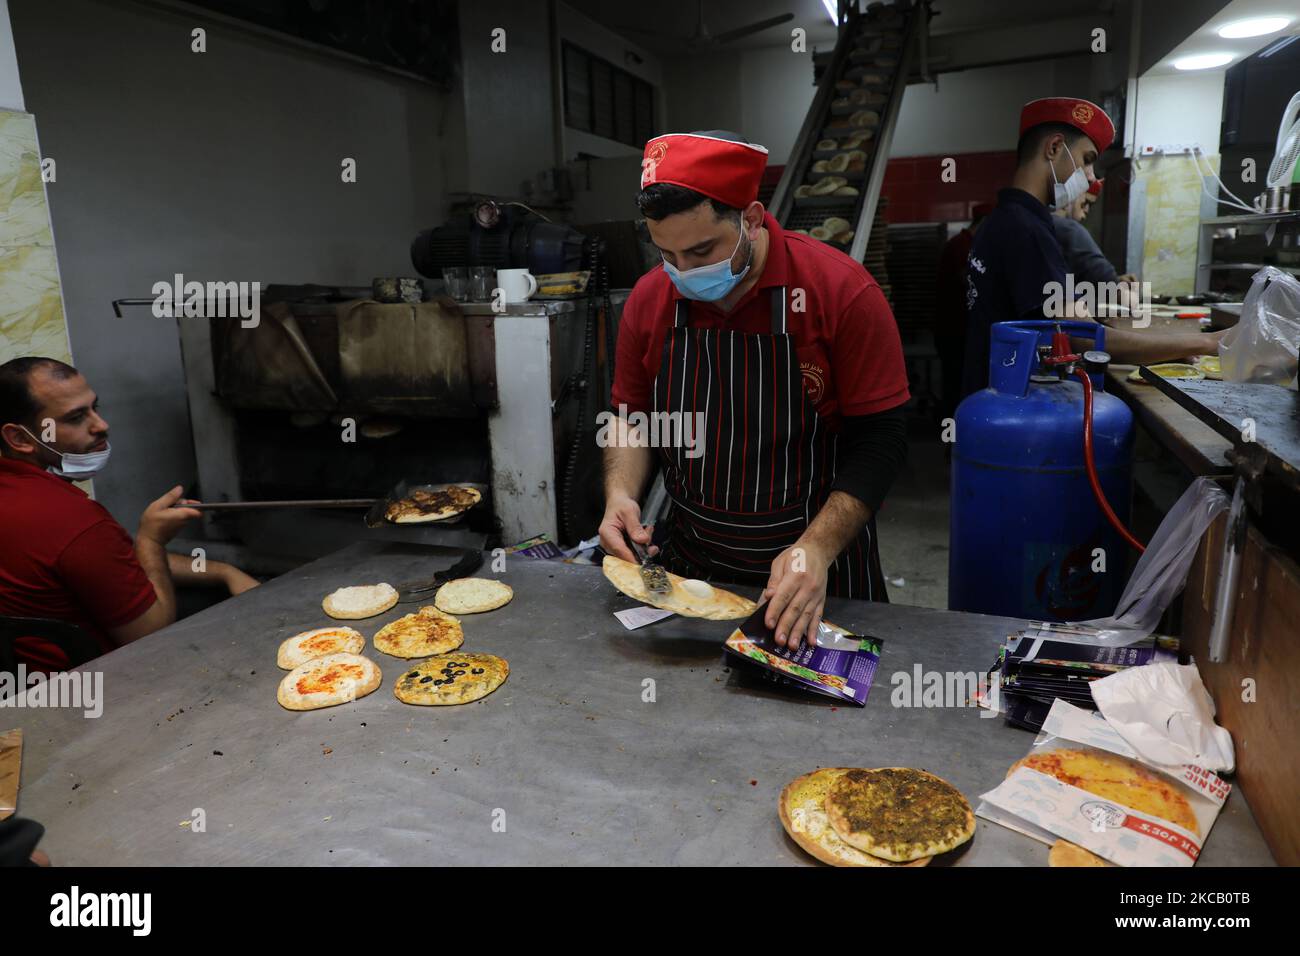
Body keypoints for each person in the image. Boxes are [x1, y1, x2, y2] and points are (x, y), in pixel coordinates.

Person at [599, 130, 910, 649]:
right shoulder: (650, 299)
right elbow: (630, 417)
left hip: (812, 572)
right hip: (690, 570)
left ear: (751, 217)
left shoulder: (840, 291)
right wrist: (618, 495)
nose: (684, 272)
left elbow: (881, 441)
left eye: (701, 250)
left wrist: (815, 550)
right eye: (667, 254)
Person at [0, 357, 259, 671]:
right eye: (76, 417)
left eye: (95, 408)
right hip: (95, 692)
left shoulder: (21, 493)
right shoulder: (74, 520)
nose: (101, 425)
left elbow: (113, 564)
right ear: (20, 439)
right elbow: (151, 635)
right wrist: (152, 540)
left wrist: (222, 571)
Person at [963, 98, 1221, 396]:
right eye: (1087, 159)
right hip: (1011, 406)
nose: (1089, 176)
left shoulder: (1003, 219)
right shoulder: (1026, 229)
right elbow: (1080, 337)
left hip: (988, 393)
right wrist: (1207, 343)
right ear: (1054, 148)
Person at [935, 202, 992, 419]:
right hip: (954, 331)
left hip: (954, 330)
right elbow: (967, 279)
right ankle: (954, 438)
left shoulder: (963, 243)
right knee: (956, 388)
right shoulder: (963, 246)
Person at [1051, 178, 1137, 286]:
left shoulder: (1039, 223)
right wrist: (1113, 282)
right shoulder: (1070, 230)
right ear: (1071, 195)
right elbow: (1105, 280)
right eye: (1084, 203)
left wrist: (1116, 280)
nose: (1086, 210)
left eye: (1090, 205)